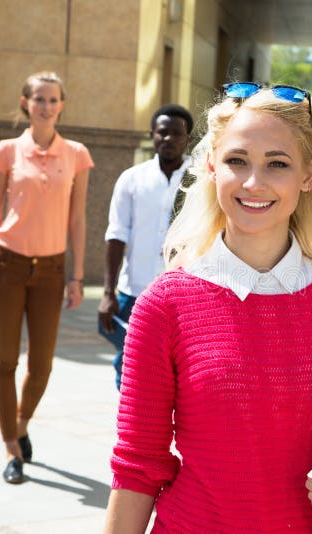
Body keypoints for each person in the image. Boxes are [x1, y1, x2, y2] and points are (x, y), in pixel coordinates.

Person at [103, 83, 312, 532]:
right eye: (237, 161)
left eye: (277, 164)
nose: (253, 183)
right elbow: (138, 466)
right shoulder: (163, 305)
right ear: (211, 166)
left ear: (308, 175)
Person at [0, 71, 93, 485]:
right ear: (25, 103)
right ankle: (11, 447)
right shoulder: (5, 151)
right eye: (39, 99)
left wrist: (77, 276)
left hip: (52, 270)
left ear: (62, 105)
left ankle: (20, 422)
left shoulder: (76, 154)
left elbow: (77, 218)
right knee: (4, 361)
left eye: (53, 100)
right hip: (5, 265)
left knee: (42, 365)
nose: (46, 106)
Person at [97, 103, 194, 390]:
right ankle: (128, 426)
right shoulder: (132, 178)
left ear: (187, 138)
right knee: (129, 363)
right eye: (163, 132)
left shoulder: (200, 180)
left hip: (181, 294)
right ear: (151, 134)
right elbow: (116, 235)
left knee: (174, 367)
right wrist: (107, 293)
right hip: (133, 291)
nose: (169, 139)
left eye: (177, 134)